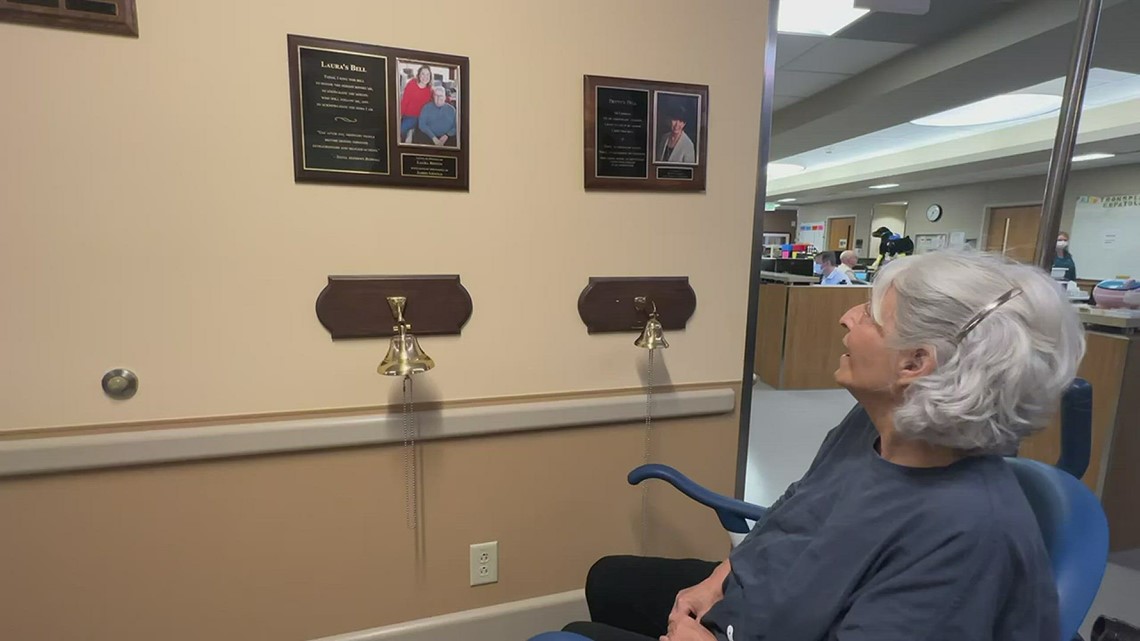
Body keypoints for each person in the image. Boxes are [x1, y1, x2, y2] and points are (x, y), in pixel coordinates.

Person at [564, 250, 1083, 641]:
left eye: (872, 314)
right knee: (609, 580)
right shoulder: (874, 423)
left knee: (573, 635)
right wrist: (719, 579)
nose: (848, 316)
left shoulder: (963, 538)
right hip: (764, 601)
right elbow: (795, 511)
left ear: (914, 363)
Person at [399, 65, 434, 144]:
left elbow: (436, 100)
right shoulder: (412, 83)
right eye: (423, 74)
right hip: (406, 115)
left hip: (419, 117)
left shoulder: (430, 90)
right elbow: (404, 101)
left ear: (430, 76)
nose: (425, 77)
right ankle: (410, 131)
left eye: (427, 74)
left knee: (402, 130)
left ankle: (411, 131)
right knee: (398, 130)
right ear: (419, 75)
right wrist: (399, 117)